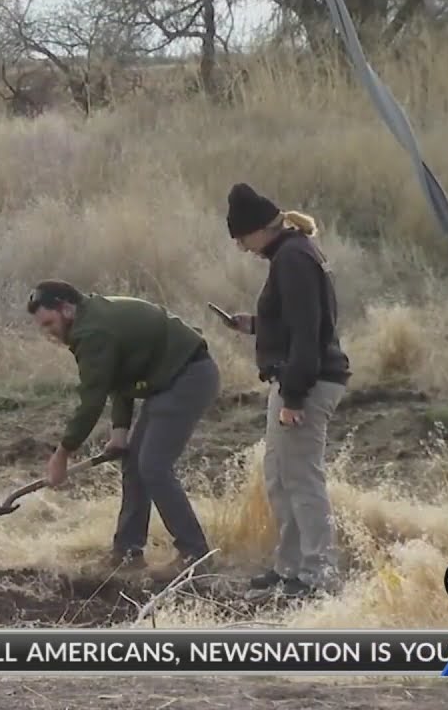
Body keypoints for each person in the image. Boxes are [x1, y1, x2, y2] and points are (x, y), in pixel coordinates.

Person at [27, 280, 220, 577]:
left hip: (187, 377)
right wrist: (120, 429)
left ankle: (196, 554)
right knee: (134, 463)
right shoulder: (93, 315)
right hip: (167, 380)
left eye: (50, 323)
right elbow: (120, 376)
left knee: (154, 466)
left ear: (67, 309)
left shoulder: (92, 332)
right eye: (42, 327)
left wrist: (62, 454)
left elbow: (92, 400)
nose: (48, 333)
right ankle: (128, 553)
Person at [220, 182, 352, 600]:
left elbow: (308, 333)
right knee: (280, 477)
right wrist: (256, 325)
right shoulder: (294, 254)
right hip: (298, 378)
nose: (242, 248)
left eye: (241, 238)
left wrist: (293, 398)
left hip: (306, 384)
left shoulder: (293, 258)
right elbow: (296, 320)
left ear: (259, 229)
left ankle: (319, 574)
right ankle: (291, 566)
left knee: (301, 479)